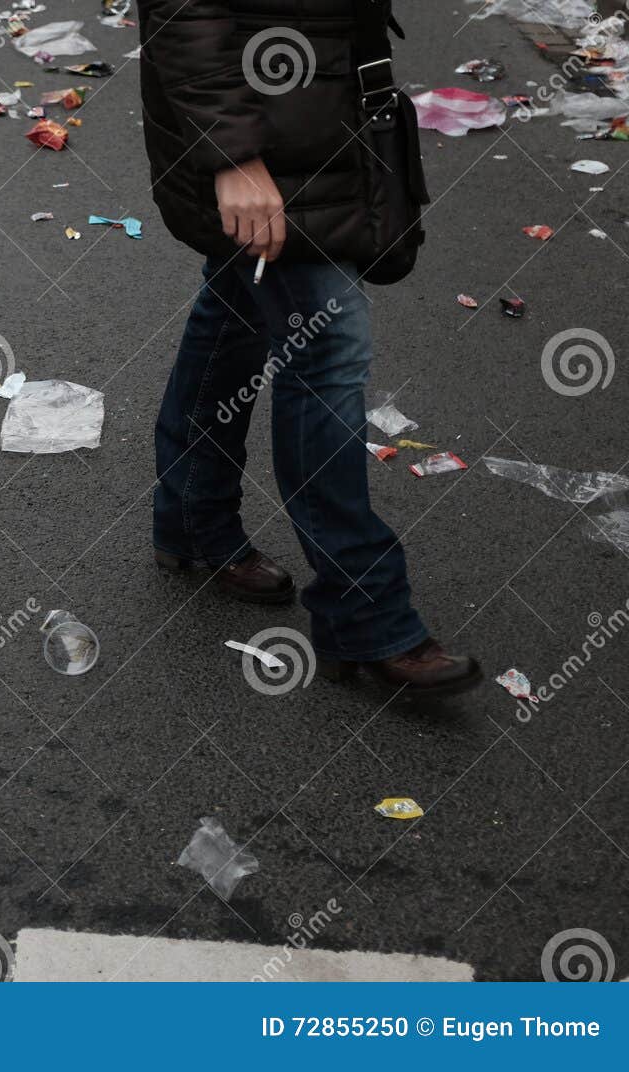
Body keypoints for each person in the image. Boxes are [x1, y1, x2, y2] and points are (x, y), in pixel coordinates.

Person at [137, 0, 478, 695]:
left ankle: (195, 521)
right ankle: (367, 617)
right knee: (328, 347)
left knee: (238, 310)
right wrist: (234, 154)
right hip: (261, 140)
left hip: (320, 117)